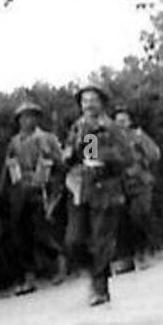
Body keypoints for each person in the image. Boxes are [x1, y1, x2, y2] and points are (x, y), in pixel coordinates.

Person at [61, 83, 131, 305]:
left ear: (101, 103)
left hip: (106, 189)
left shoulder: (111, 128)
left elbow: (127, 157)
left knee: (102, 240)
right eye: (84, 101)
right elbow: (71, 155)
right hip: (81, 188)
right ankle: (94, 270)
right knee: (73, 241)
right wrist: (67, 155)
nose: (88, 105)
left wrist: (104, 157)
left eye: (92, 100)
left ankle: (100, 287)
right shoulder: (78, 127)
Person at [0, 99, 65, 295]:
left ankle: (59, 262)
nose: (27, 120)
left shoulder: (46, 138)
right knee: (21, 235)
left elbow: (60, 163)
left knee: (41, 231)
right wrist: (0, 195)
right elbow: (6, 170)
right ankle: (29, 276)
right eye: (24, 117)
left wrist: (54, 185)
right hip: (19, 192)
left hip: (40, 190)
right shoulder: (14, 143)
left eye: (31, 116)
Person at [113, 106, 162, 272]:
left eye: (124, 120)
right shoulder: (108, 139)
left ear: (129, 122)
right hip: (119, 185)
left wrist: (142, 144)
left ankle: (142, 254)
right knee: (121, 222)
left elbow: (155, 154)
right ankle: (126, 258)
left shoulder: (138, 136)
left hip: (140, 181)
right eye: (117, 121)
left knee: (139, 216)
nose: (121, 124)